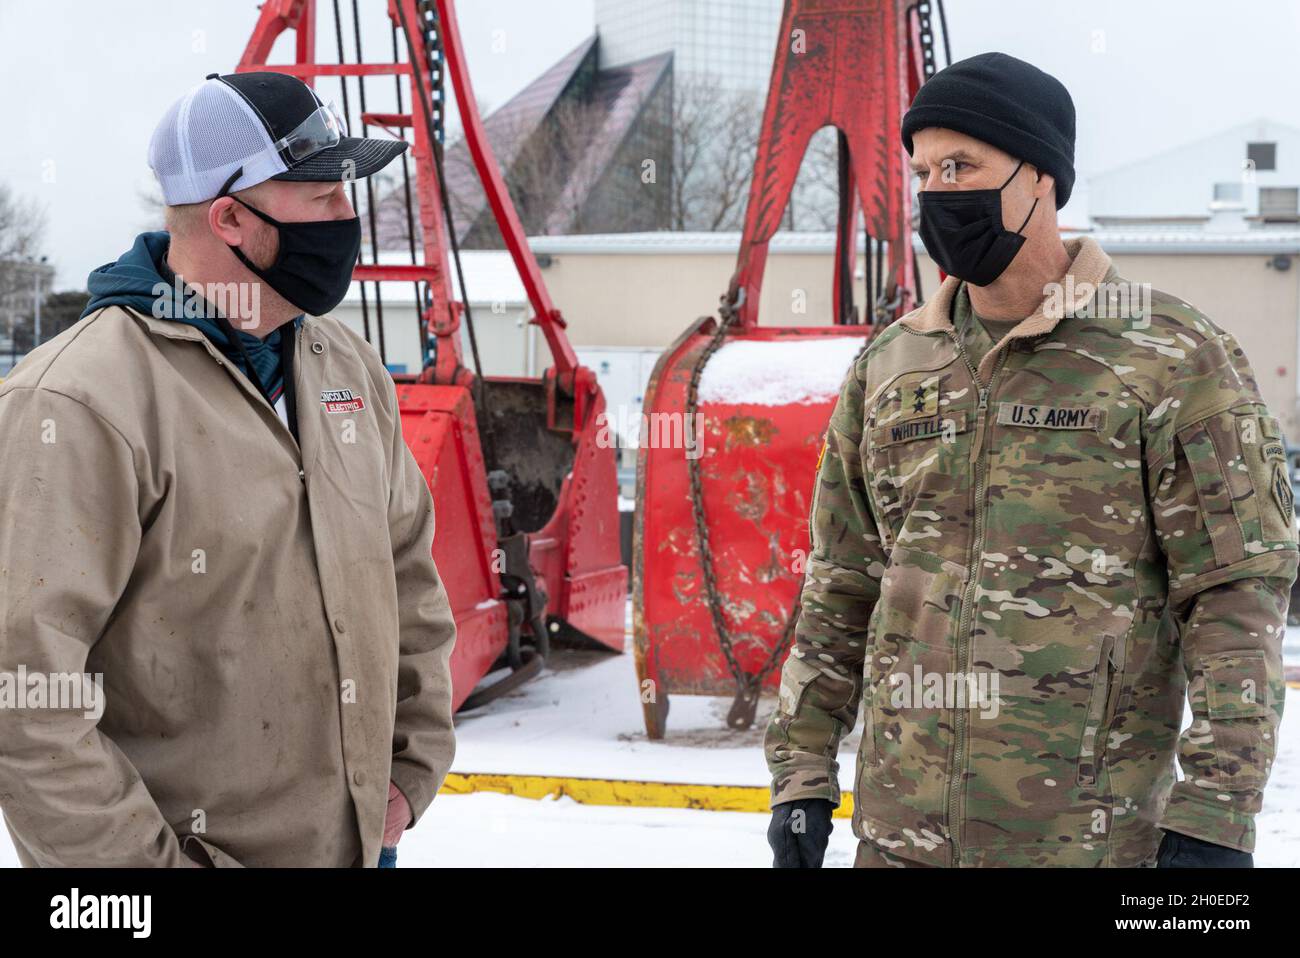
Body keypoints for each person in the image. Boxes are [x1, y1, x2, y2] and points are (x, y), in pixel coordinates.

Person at [765, 52, 1295, 868]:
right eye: (923, 172)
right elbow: (841, 584)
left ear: (1042, 176)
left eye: (961, 166)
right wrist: (801, 776)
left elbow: (1233, 595)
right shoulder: (893, 366)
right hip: (899, 841)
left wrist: (1217, 811)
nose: (938, 193)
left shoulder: (1168, 354)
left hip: (1091, 845)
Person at [0, 72, 457, 866]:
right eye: (321, 197)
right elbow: (24, 695)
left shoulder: (345, 367)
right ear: (231, 219)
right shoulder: (75, 402)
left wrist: (408, 772)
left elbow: (408, 574)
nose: (347, 220)